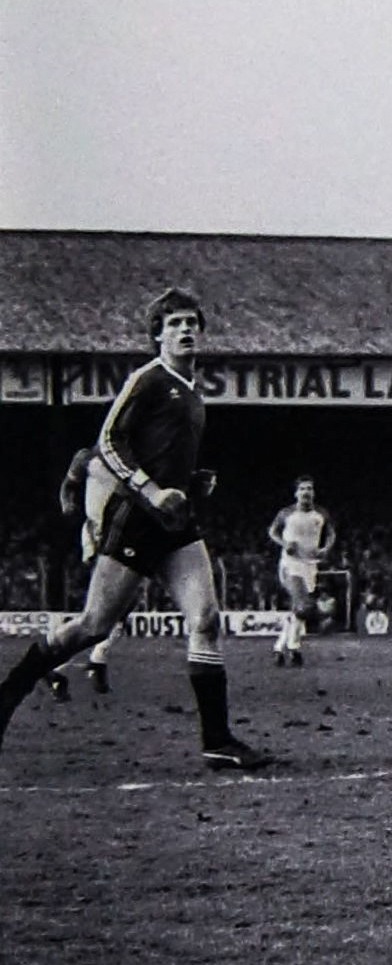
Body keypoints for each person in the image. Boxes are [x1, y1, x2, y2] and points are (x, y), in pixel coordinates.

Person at [0, 289, 273, 770]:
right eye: (174, 324)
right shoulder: (148, 380)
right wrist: (151, 490)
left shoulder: (191, 391)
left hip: (177, 522)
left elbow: (161, 451)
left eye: (192, 322)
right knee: (93, 626)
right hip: (137, 522)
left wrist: (190, 481)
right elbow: (109, 440)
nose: (186, 330)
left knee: (206, 619)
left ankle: (217, 740)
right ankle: (8, 694)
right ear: (157, 336)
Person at [41, 447, 125, 699]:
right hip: (99, 536)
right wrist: (67, 503)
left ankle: (90, 662)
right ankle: (60, 667)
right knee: (102, 610)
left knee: (119, 606)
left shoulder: (137, 459)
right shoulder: (88, 457)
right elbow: (68, 485)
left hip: (125, 536)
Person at [267, 474, 335, 666]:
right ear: (296, 493)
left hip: (310, 565)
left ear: (314, 493)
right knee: (304, 606)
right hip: (290, 565)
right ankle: (294, 648)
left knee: (298, 611)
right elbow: (272, 531)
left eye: (310, 489)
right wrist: (284, 543)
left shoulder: (321, 513)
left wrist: (326, 549)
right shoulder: (286, 513)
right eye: (303, 488)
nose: (306, 492)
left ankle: (280, 648)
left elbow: (331, 533)